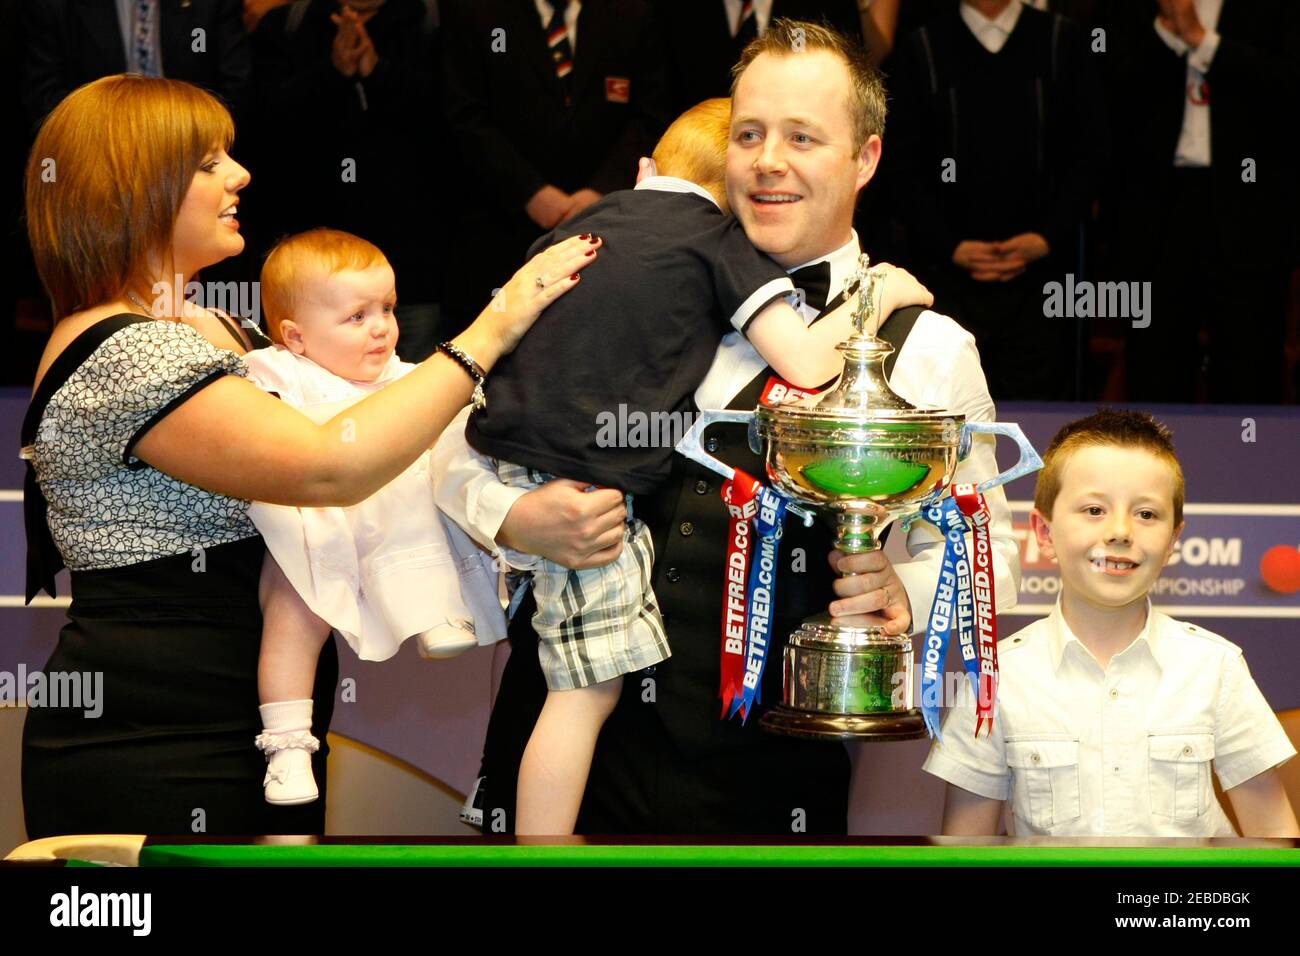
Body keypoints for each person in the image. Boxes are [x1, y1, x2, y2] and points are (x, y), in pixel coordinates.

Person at [433, 20, 1020, 835]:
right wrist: (514, 516)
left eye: (803, 137)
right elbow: (452, 444)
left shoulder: (929, 348)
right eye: (750, 133)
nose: (768, 160)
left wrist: (906, 594)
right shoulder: (598, 273)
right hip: (558, 749)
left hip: (765, 779)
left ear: (867, 159)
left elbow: (989, 554)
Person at [19, 74, 597, 838]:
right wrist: (494, 326)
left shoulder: (220, 330)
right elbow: (330, 464)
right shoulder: (127, 348)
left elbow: (387, 446)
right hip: (159, 740)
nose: (240, 175)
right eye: (207, 163)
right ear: (132, 187)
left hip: (244, 731)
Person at [925, 409, 1299, 837]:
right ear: (1044, 534)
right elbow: (963, 851)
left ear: (1174, 540)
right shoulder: (993, 679)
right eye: (1094, 509)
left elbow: (1275, 841)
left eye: (1146, 514)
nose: (1120, 531)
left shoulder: (1217, 669)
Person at [241, 228, 510, 806]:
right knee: (291, 618)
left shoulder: (407, 377)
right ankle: (287, 745)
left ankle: (438, 610)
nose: (382, 326)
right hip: (313, 528)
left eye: (386, 308)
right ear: (295, 336)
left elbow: (460, 413)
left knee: (437, 500)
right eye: (357, 316)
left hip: (393, 532)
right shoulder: (276, 372)